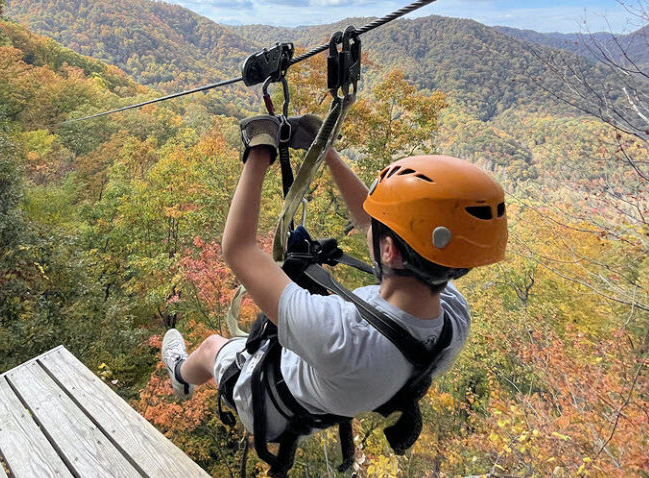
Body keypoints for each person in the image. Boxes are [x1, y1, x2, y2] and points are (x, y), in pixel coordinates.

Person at [160, 114, 508, 449]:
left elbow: (239, 249)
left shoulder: (343, 336)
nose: (371, 222)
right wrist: (324, 152)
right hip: (328, 389)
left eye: (381, 226)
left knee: (209, 348)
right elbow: (376, 224)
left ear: (390, 252)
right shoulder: (452, 313)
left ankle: (180, 375)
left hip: (263, 398)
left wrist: (259, 149)